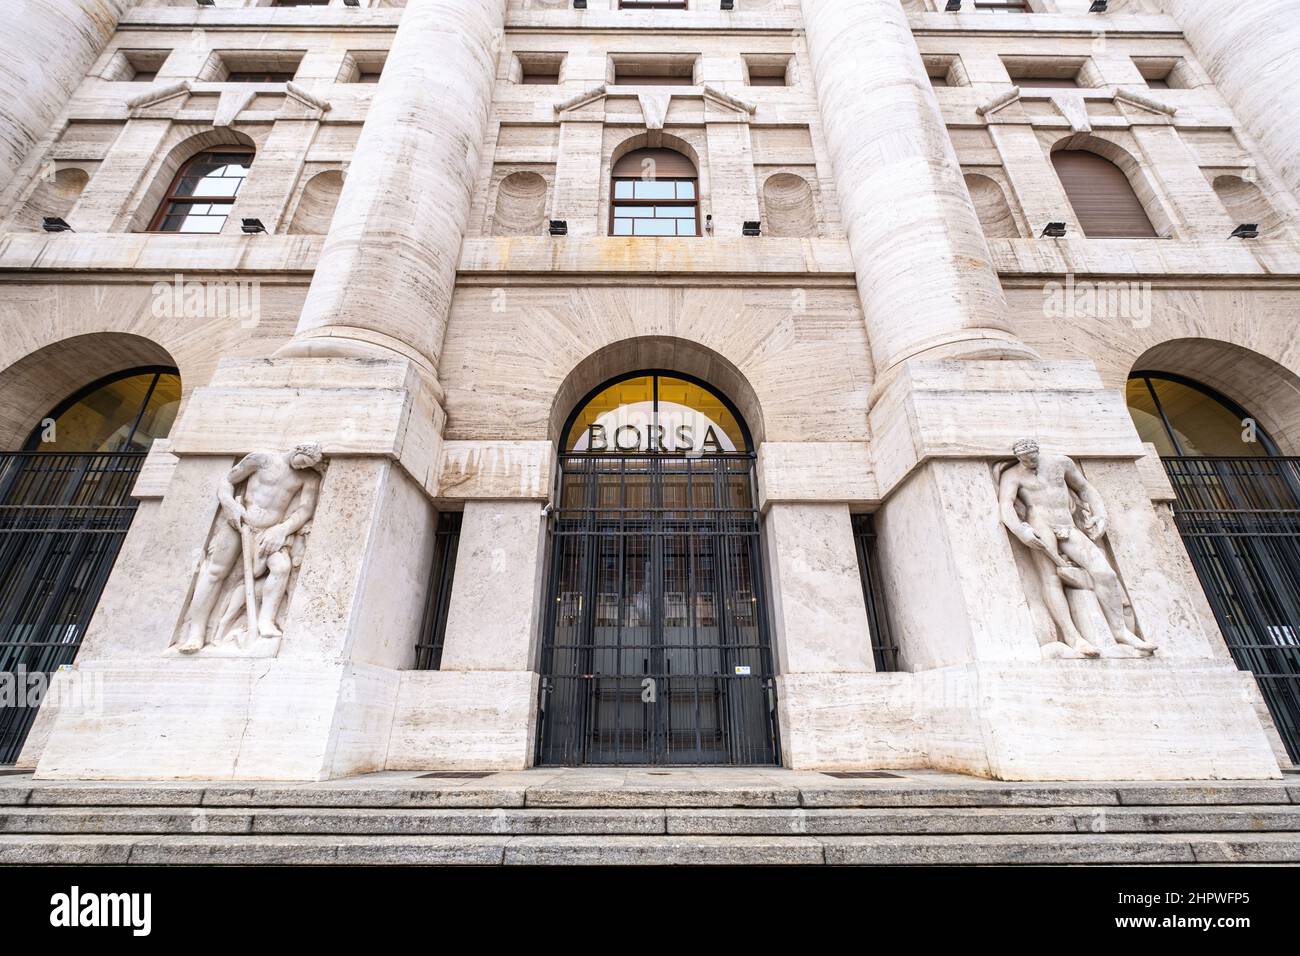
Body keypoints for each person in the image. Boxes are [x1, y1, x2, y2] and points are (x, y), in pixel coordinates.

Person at [998, 438, 1156, 657]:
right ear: (1018, 457)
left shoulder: (1060, 463)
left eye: (1033, 456)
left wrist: (1100, 513)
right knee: (1051, 579)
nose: (1030, 461)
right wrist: (1021, 531)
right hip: (1040, 526)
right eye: (1025, 459)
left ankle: (1120, 631)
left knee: (1105, 573)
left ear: (1038, 451)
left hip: (1067, 526)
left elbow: (1084, 488)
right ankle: (1073, 637)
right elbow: (1006, 506)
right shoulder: (1013, 475)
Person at [177, 443, 323, 653]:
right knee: (216, 571)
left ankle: (266, 621)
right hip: (240, 523)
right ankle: (196, 633)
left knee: (281, 567)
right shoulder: (261, 459)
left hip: (270, 532)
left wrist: (282, 530)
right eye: (302, 462)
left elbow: (305, 509)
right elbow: (228, 480)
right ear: (298, 451)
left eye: (308, 465)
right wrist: (229, 505)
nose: (302, 467)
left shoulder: (308, 477)